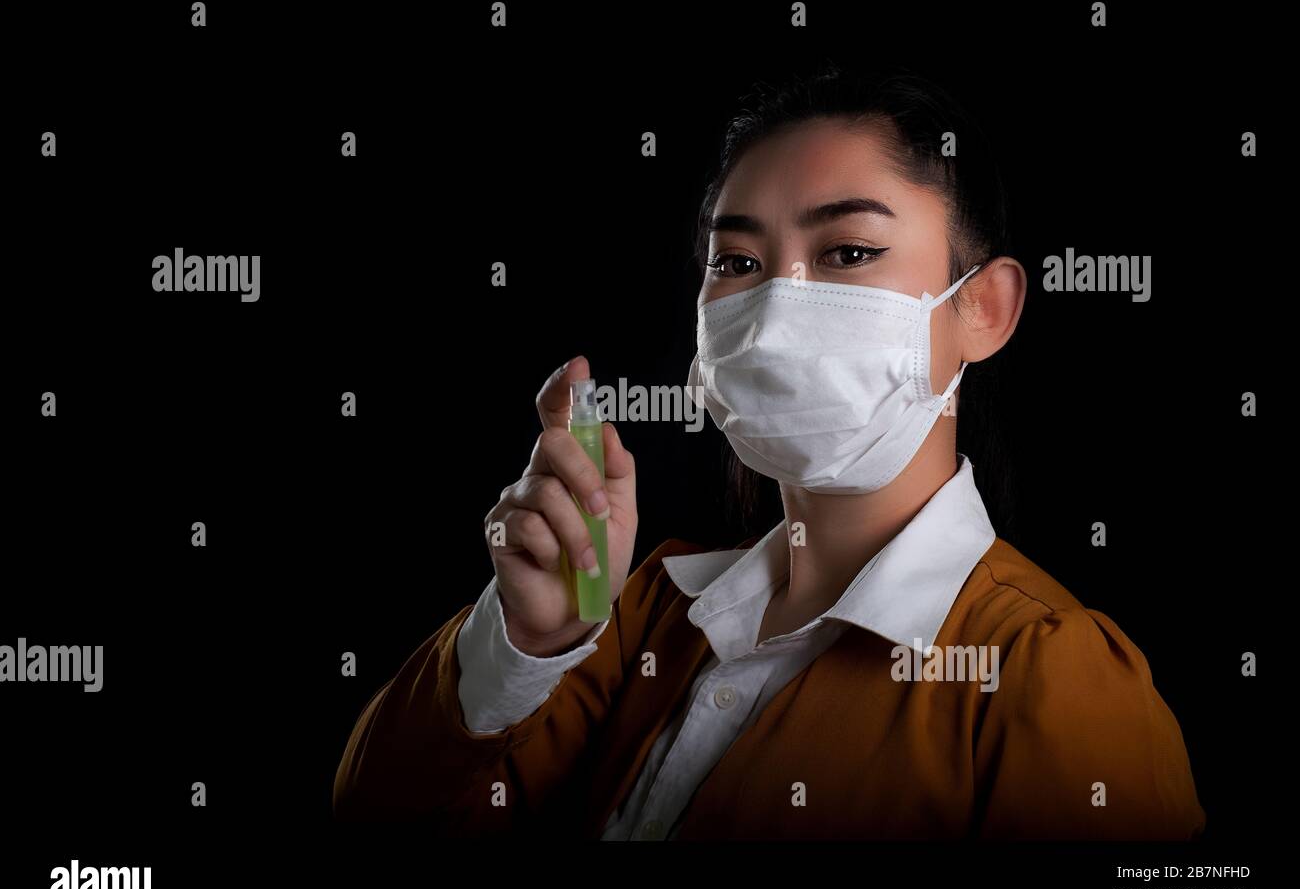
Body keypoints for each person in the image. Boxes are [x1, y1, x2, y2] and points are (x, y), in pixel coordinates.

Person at [332, 63, 1205, 840]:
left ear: (985, 309)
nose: (780, 311)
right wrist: (524, 640)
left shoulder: (1048, 673)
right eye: (739, 263)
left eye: (849, 251)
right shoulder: (637, 614)